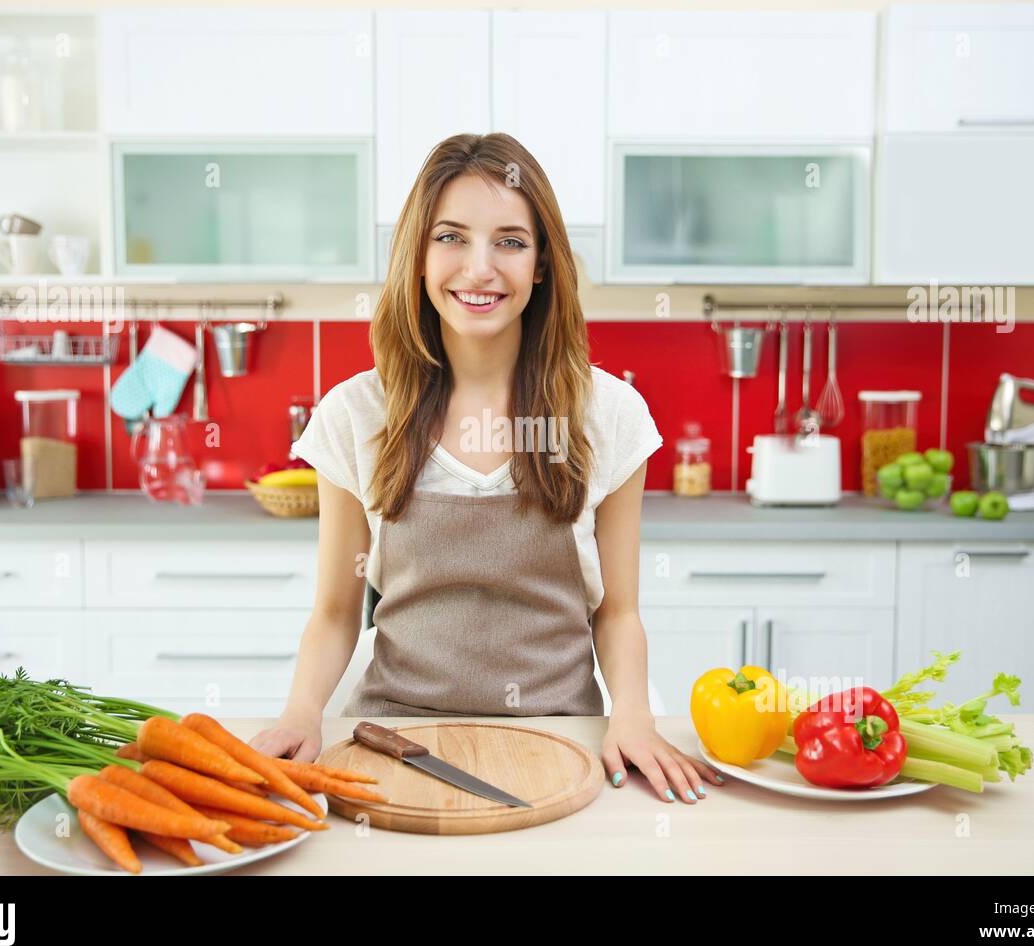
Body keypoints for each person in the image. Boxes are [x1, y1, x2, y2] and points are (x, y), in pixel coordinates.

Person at [249, 132, 724, 804]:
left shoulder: (607, 415)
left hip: (566, 740)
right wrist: (301, 713)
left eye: (509, 240)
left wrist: (634, 716)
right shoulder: (355, 416)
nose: (479, 268)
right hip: (393, 741)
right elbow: (334, 613)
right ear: (417, 255)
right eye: (450, 237)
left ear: (540, 266)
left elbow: (617, 614)